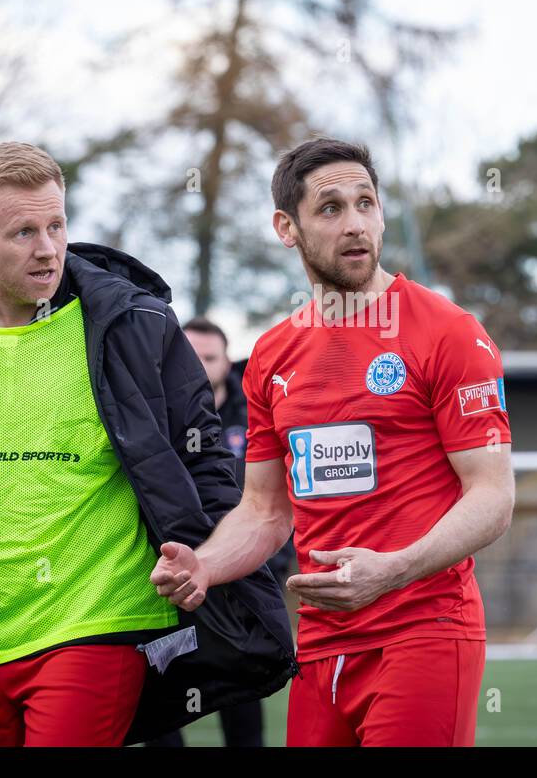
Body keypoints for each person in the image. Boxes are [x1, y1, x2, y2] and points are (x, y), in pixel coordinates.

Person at [0, 141, 293, 746]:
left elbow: (203, 462)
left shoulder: (133, 326)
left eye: (57, 225)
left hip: (100, 621)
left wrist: (212, 562)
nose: (47, 248)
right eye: (23, 232)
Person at [150, 136, 516, 746]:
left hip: (423, 630)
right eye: (330, 208)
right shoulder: (270, 355)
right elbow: (267, 511)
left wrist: (394, 570)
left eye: (365, 203)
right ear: (286, 228)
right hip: (319, 642)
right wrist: (206, 566)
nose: (355, 224)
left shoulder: (449, 332)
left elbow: (493, 496)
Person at [145, 316, 294, 747]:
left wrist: (267, 564)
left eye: (209, 358)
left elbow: (277, 500)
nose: (200, 366)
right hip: (167, 571)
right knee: (160, 684)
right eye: (190, 357)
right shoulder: (153, 416)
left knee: (240, 684)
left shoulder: (256, 415)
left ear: (227, 361)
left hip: (244, 573)